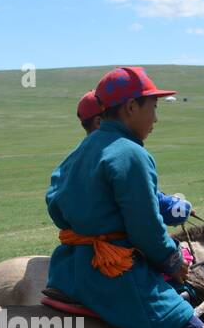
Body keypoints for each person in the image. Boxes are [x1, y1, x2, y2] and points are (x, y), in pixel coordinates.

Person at [47, 67, 204, 328]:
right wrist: (173, 262)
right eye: (152, 106)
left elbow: (55, 205)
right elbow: (146, 228)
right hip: (112, 274)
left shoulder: (80, 151)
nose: (156, 117)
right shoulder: (132, 154)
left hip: (71, 266)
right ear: (131, 106)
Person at [77, 90, 193, 227]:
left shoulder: (78, 158)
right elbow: (154, 206)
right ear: (99, 122)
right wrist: (183, 207)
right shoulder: (122, 158)